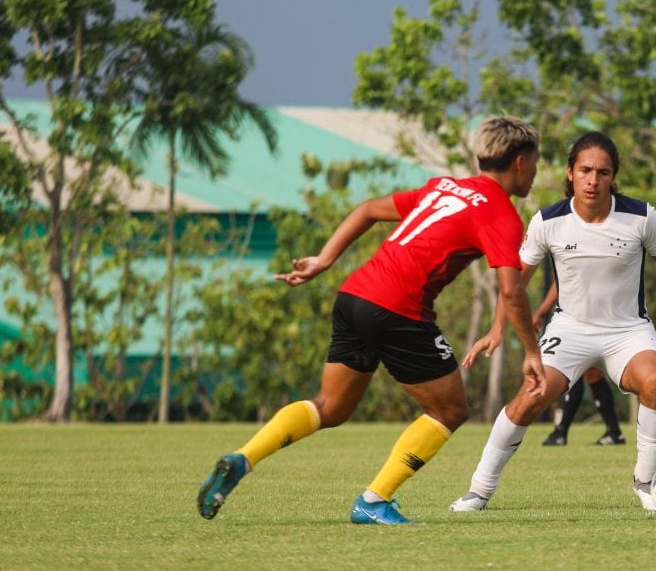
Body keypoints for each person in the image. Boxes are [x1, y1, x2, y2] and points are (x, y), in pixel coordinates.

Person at [195, 116, 547, 525]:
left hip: (354, 296)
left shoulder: (442, 187)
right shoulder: (500, 213)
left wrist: (324, 261)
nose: (535, 173)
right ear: (520, 162)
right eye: (536, 163)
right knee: (450, 410)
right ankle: (374, 500)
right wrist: (531, 352)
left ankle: (243, 458)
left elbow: (367, 210)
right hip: (399, 309)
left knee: (331, 406)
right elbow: (511, 290)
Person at [448, 130, 656, 513]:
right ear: (571, 172)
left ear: (613, 176)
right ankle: (479, 489)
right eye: (586, 170)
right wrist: (496, 329)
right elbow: (515, 280)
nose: (594, 180)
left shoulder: (641, 216)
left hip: (627, 330)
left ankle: (646, 482)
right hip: (569, 330)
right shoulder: (547, 221)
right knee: (531, 395)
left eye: (603, 172)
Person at [531, 281, 626, 446]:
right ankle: (613, 432)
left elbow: (561, 281)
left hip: (592, 316)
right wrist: (542, 311)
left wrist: (541, 311)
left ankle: (561, 432)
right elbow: (561, 280)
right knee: (590, 373)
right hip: (588, 315)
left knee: (575, 370)